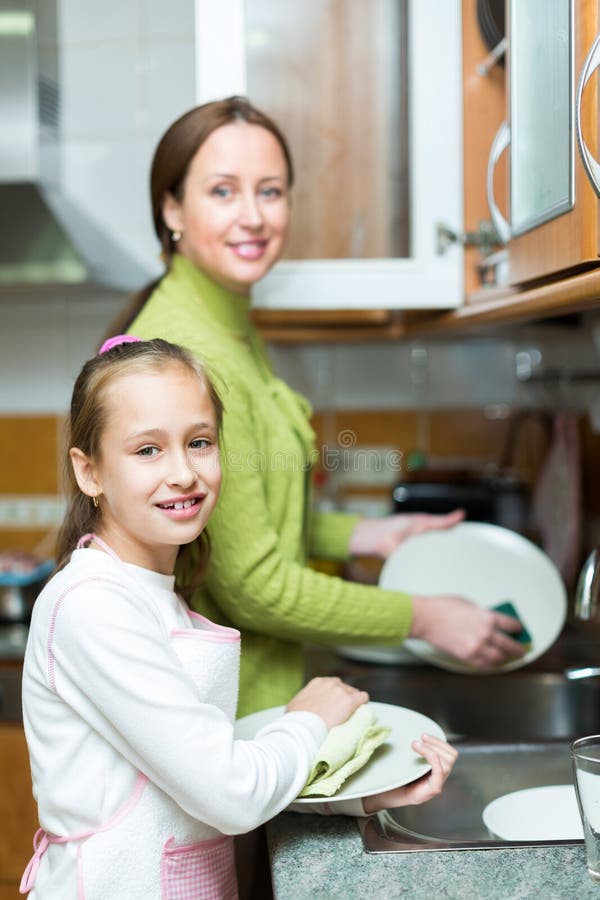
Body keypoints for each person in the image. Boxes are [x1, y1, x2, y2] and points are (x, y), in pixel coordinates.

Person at [107, 96, 526, 719]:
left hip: (255, 711)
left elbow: (247, 510)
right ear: (172, 208)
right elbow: (257, 588)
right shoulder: (189, 354)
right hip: (225, 724)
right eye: (223, 192)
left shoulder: (226, 327)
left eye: (270, 191)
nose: (252, 215)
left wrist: (365, 533)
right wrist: (425, 616)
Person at [20, 336, 457, 900]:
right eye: (147, 450)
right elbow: (231, 792)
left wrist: (364, 794)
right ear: (90, 472)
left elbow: (198, 772)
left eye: (199, 442)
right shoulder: (91, 606)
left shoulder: (151, 593)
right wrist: (310, 719)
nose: (183, 472)